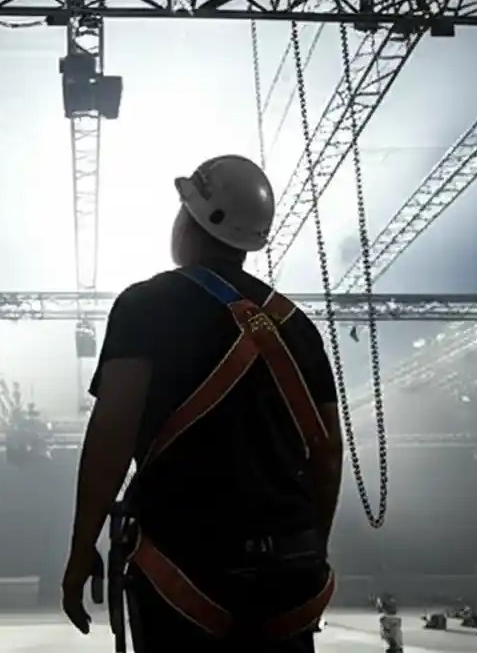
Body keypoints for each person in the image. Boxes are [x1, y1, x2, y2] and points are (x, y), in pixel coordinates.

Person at [61, 155, 344, 652]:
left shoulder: (144, 306)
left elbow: (111, 439)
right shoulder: (297, 325)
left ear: (188, 221)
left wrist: (82, 547)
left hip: (188, 573)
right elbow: (327, 452)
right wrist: (308, 549)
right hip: (289, 581)